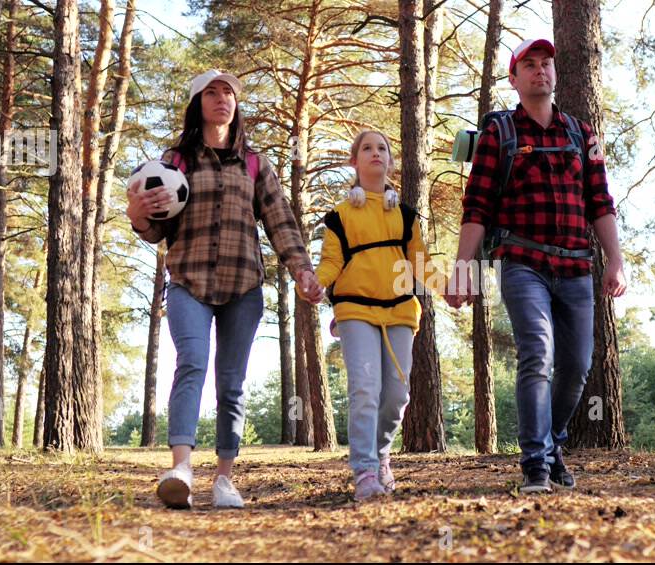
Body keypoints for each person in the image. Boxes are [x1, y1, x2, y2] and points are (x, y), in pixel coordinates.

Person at [128, 69, 325, 509]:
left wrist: (303, 272)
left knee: (231, 383)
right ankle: (181, 468)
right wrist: (137, 214)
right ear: (198, 103)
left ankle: (224, 479)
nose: (222, 99)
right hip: (188, 283)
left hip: (243, 288)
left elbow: (282, 224)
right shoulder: (173, 163)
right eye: (212, 92)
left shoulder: (255, 164)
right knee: (192, 363)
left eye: (229, 93)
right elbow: (154, 230)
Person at [448, 39, 628, 494]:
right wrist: (460, 270)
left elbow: (600, 202)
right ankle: (535, 465)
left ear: (554, 73)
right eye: (529, 65)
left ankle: (551, 445)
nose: (540, 71)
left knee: (578, 366)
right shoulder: (499, 133)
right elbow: (477, 207)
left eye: (546, 64)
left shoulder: (581, 134)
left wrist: (616, 261)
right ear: (514, 78)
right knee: (537, 354)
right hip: (523, 263)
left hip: (575, 268)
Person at [304, 130, 447, 501]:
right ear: (355, 161)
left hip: (400, 311)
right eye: (366, 148)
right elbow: (331, 263)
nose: (375, 153)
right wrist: (316, 285)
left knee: (397, 395)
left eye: (382, 148)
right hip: (354, 310)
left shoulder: (405, 215)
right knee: (365, 390)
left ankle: (382, 453)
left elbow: (421, 263)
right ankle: (365, 470)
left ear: (391, 161)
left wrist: (448, 287)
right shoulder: (339, 215)